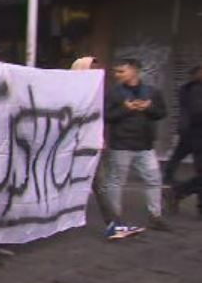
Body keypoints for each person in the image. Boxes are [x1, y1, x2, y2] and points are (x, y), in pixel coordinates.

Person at [71, 57, 144, 239]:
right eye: (92, 69)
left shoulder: (96, 92)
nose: (97, 72)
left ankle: (114, 224)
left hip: (90, 147)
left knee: (100, 184)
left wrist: (99, 138)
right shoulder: (72, 93)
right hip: (71, 148)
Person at [104, 58, 170, 231]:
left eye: (121, 71)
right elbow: (106, 116)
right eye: (116, 71)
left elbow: (161, 113)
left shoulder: (151, 91)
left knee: (154, 179)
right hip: (121, 144)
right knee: (116, 181)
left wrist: (148, 107)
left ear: (134, 71)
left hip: (145, 145)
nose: (117, 75)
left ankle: (155, 216)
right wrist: (126, 108)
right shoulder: (114, 93)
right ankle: (114, 217)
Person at [166, 65, 202, 216]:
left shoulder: (189, 89)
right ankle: (177, 191)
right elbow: (196, 112)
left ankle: (178, 191)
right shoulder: (193, 90)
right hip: (195, 135)